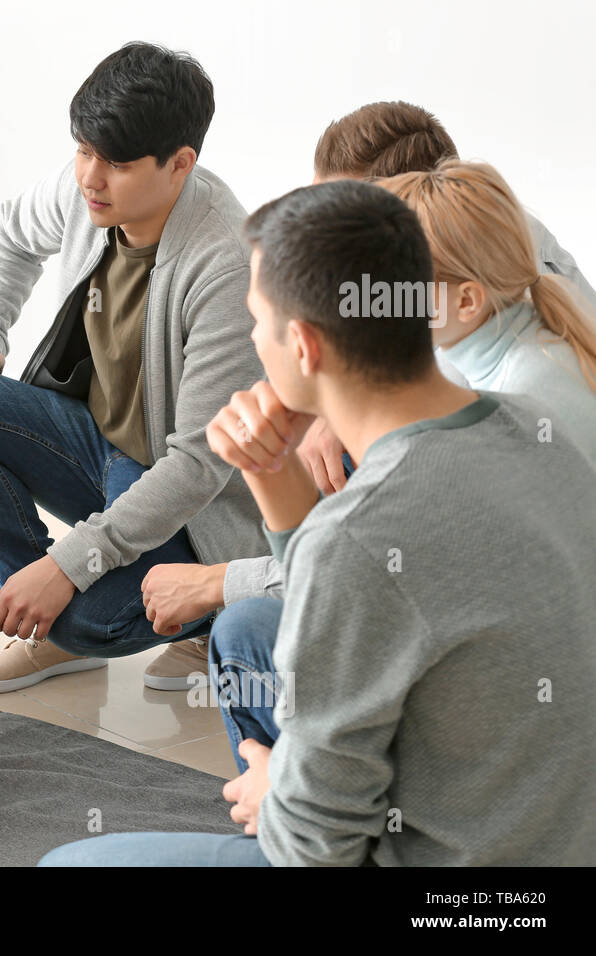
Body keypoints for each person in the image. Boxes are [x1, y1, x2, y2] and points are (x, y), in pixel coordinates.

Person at [40, 179, 596, 865]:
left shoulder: (363, 531)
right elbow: (350, 609)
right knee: (249, 629)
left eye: (255, 320)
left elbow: (315, 852)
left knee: (69, 865)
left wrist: (276, 795)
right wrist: (272, 480)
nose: (249, 339)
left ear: (303, 347)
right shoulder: (534, 426)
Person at [139, 99, 595, 656]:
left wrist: (220, 583)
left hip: (508, 648)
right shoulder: (489, 257)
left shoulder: (499, 411)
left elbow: (391, 568)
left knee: (245, 632)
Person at [0, 41, 269, 695]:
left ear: (180, 164)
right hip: (96, 439)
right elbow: (12, 232)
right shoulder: (89, 191)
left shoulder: (225, 263)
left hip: (190, 496)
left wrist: (68, 566)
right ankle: (54, 621)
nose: (90, 176)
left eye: (117, 163)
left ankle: (198, 612)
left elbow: (199, 465)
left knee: (92, 621)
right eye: (82, 149)